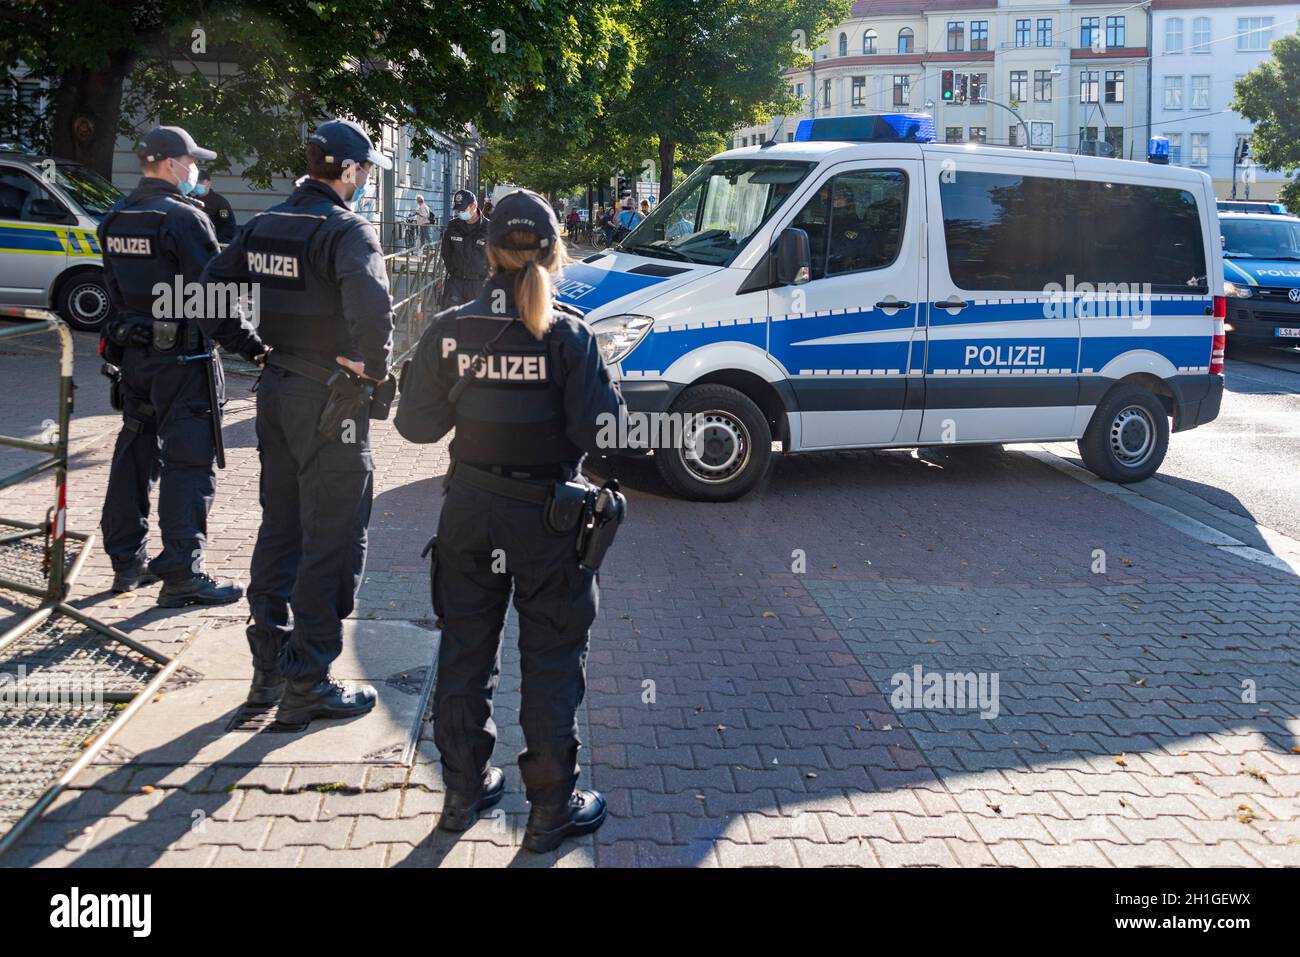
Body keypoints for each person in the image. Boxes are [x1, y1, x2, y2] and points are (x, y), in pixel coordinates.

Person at [395, 188, 626, 852]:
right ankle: (550, 809)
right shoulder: (571, 335)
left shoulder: (451, 329)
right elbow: (604, 431)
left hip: (469, 512)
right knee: (551, 660)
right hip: (548, 520)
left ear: (488, 250)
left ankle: (463, 790)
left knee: (466, 649)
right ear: (556, 251)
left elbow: (415, 427)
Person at [199, 118, 396, 723]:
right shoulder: (347, 231)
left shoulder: (265, 224)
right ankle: (308, 680)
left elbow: (208, 290)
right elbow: (376, 316)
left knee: (280, 527)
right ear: (348, 169)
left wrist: (253, 347)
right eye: (363, 170)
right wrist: (372, 373)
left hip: (277, 390)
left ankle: (267, 670)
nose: (364, 180)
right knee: (331, 535)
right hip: (330, 399)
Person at [97, 126, 245, 607]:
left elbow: (114, 297)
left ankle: (126, 562)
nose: (196, 170)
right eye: (192, 161)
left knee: (134, 453)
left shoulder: (117, 217)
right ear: (171, 164)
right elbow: (213, 298)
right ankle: (182, 573)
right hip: (184, 362)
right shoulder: (183, 219)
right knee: (190, 464)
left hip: (136, 357)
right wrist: (253, 347)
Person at [438, 188, 490, 308]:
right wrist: (454, 270)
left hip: (479, 284)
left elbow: (496, 257)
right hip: (456, 282)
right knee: (450, 322)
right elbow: (446, 252)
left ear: (474, 206)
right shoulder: (453, 226)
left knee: (477, 323)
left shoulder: (489, 228)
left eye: (463, 209)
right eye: (458, 210)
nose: (460, 213)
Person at [195, 170, 237, 245]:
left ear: (209, 183)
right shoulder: (191, 201)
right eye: (195, 182)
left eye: (201, 182)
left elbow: (228, 226)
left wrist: (215, 241)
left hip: (216, 244)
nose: (197, 184)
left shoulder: (220, 202)